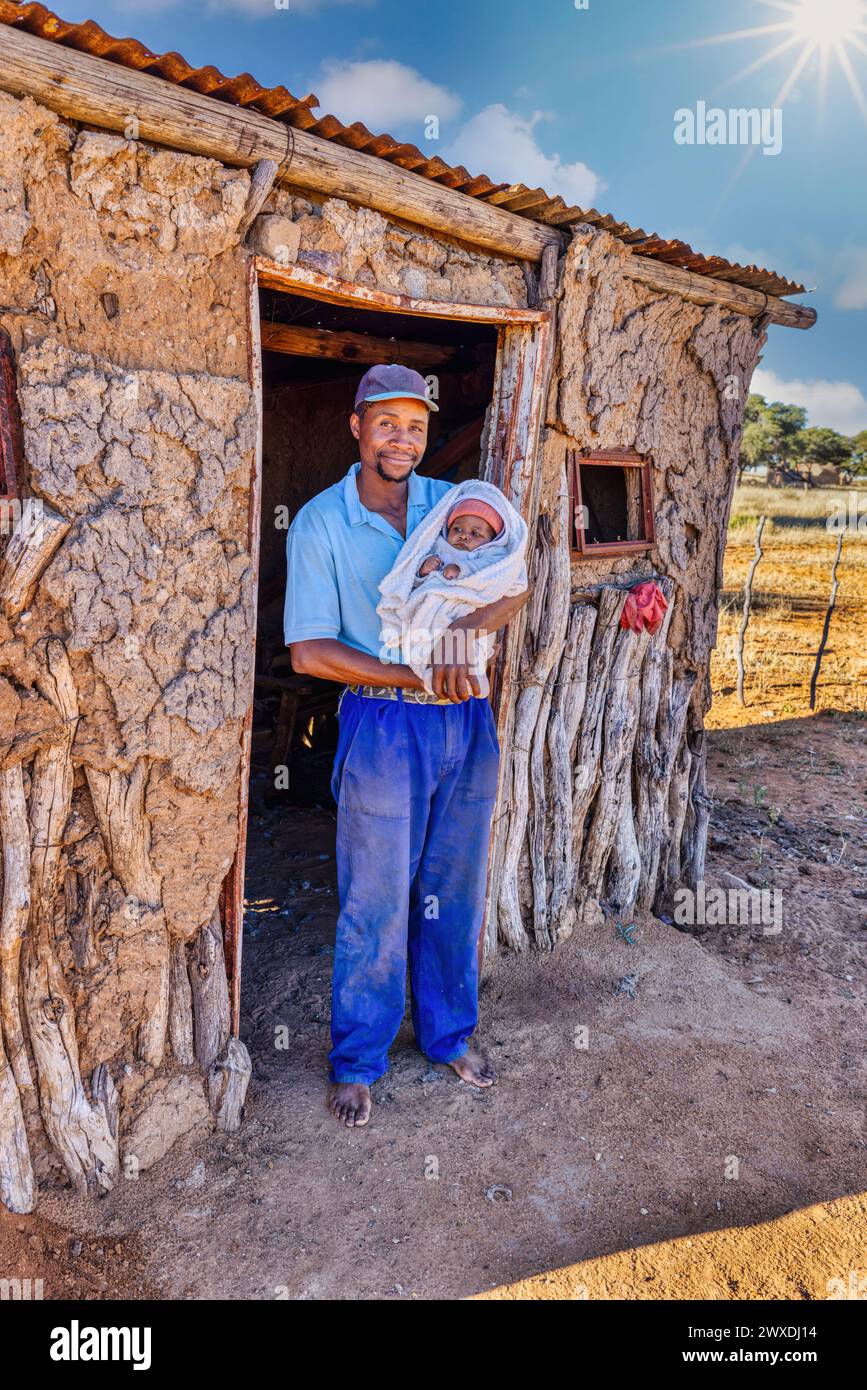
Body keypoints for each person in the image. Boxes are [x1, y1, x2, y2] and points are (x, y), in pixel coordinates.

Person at [284, 363, 533, 1128]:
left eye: (415, 426)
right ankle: (358, 1059)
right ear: (356, 427)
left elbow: (514, 580)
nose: (402, 438)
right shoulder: (323, 522)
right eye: (385, 423)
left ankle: (448, 1034)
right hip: (384, 720)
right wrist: (409, 673)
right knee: (376, 894)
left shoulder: (451, 504)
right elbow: (310, 652)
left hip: (465, 719)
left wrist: (465, 629)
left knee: (452, 885)